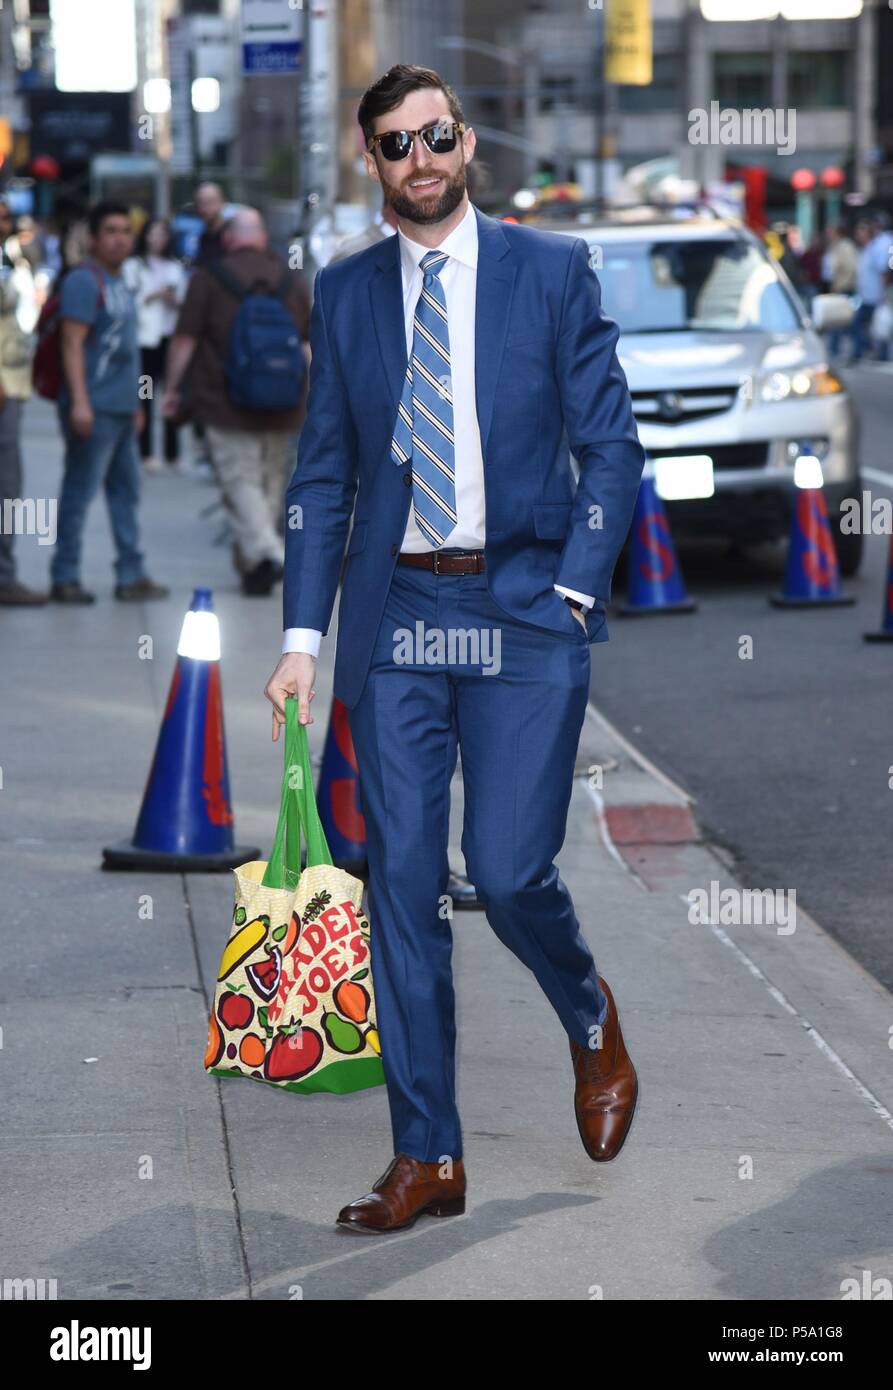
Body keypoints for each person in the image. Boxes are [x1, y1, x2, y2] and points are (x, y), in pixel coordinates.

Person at [264, 63, 645, 1233]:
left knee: (513, 865)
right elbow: (324, 474)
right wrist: (300, 638)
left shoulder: (548, 270)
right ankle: (425, 1153)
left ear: (466, 141)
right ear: (370, 165)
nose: (419, 158)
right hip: (398, 623)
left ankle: (585, 1013)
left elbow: (612, 446)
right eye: (394, 144)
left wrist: (576, 592)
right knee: (402, 887)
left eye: (434, 135)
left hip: (525, 607)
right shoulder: (347, 293)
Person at [162, 208, 312, 596]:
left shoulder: (208, 278)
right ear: (262, 237)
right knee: (268, 485)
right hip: (284, 404)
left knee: (238, 482)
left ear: (229, 238)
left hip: (224, 402)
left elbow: (185, 340)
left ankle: (269, 553)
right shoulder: (291, 279)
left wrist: (173, 388)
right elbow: (311, 345)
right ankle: (254, 570)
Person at [49, 200, 169, 604]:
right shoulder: (84, 281)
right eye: (111, 232)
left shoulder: (120, 280)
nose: (120, 239)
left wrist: (137, 403)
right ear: (95, 238)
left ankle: (131, 574)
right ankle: (64, 576)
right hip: (93, 408)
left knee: (126, 492)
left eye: (125, 231)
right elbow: (71, 344)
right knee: (79, 493)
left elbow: (128, 351)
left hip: (119, 408)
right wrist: (81, 403)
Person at [0, 201, 46, 605]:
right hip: (3, 386)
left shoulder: (10, 258)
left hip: (12, 385)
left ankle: (5, 573)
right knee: (7, 487)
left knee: (9, 487)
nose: (4, 225)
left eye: (5, 217)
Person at [124, 217, 186, 473]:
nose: (158, 239)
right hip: (145, 341)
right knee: (146, 396)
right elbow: (128, 301)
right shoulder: (134, 266)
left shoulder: (175, 267)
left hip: (168, 338)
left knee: (171, 394)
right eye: (153, 233)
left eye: (163, 234)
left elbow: (184, 301)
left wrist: (171, 298)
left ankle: (173, 453)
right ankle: (146, 451)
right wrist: (151, 296)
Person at [853, 215, 893, 363]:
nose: (858, 234)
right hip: (866, 295)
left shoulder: (878, 247)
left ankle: (874, 352)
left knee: (875, 324)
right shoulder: (867, 249)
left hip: (876, 295)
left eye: (861, 231)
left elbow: (883, 271)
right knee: (872, 325)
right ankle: (869, 351)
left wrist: (884, 293)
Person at [821, 224, 859, 360]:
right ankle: (834, 349)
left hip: (844, 289)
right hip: (837, 288)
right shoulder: (834, 246)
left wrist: (843, 285)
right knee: (836, 321)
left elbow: (850, 268)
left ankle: (860, 347)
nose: (827, 234)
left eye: (830, 231)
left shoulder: (845, 246)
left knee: (848, 321)